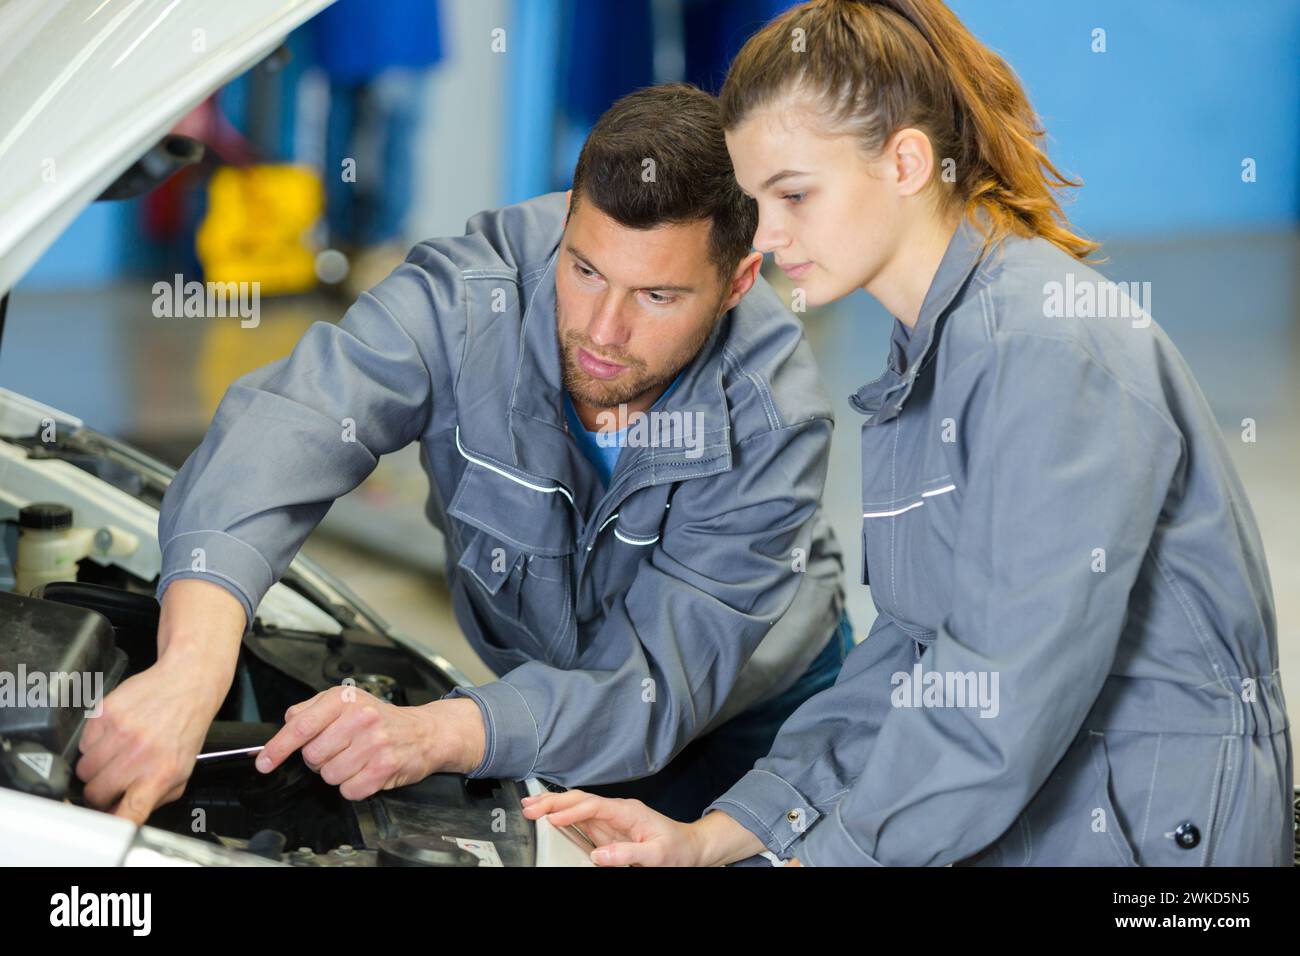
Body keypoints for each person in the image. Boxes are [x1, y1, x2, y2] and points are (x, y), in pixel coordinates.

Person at [522, 0, 1292, 866]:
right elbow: (910, 658)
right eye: (754, 202)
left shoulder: (1041, 346)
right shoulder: (932, 349)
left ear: (906, 162)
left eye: (794, 195)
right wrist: (724, 835)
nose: (765, 236)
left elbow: (999, 698)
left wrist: (820, 860)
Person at [75, 83, 848, 826]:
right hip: (538, 702)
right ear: (568, 217)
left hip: (751, 717)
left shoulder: (770, 418)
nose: (603, 331)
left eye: (656, 296)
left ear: (739, 281)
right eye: (585, 271)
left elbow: (655, 687)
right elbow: (296, 422)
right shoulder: (474, 296)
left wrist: (435, 733)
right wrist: (192, 668)